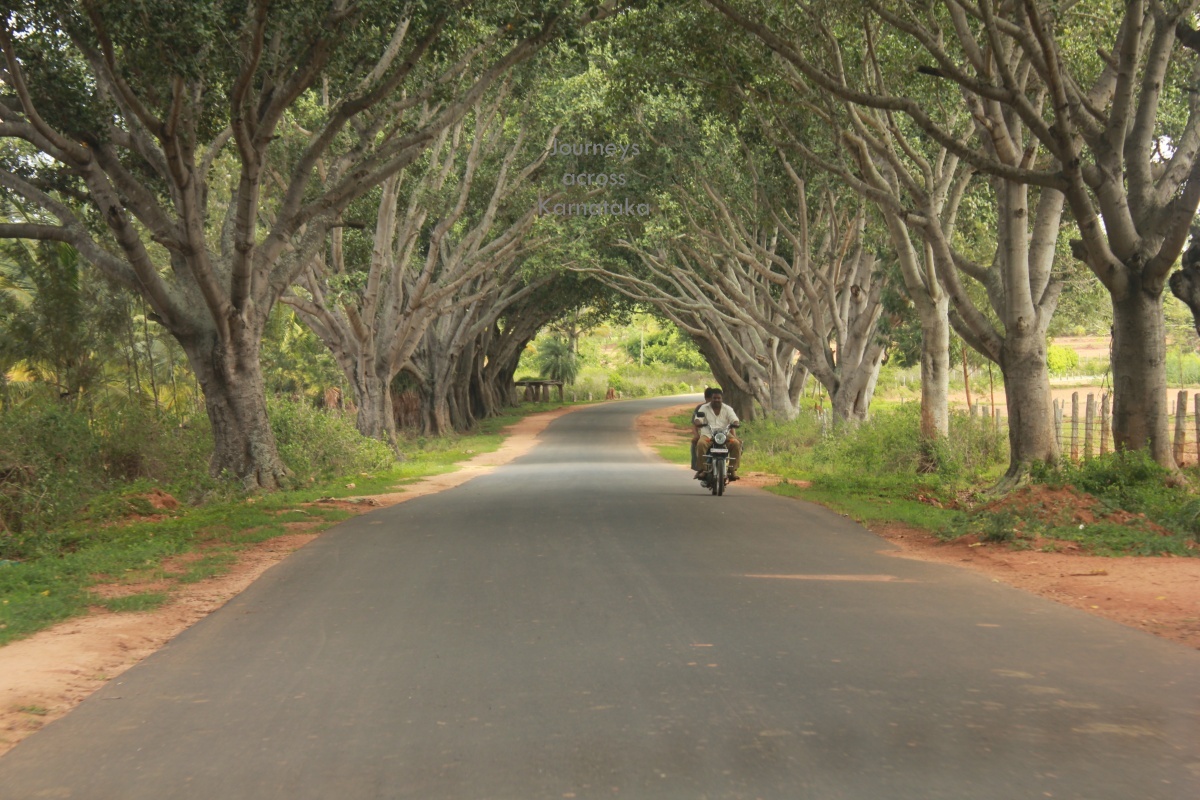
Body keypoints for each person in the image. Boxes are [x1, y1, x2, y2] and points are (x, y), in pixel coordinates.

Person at [693, 389, 742, 481]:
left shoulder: (728, 409)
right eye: (714, 398)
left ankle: (732, 470)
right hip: (708, 434)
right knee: (701, 444)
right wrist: (698, 422)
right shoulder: (704, 408)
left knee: (736, 443)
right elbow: (698, 418)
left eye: (718, 398)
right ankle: (704, 469)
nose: (716, 400)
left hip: (724, 434)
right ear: (711, 398)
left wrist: (735, 423)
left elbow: (734, 419)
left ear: (721, 398)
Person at [691, 387, 717, 471]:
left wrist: (734, 436)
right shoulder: (700, 408)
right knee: (695, 444)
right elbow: (695, 424)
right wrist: (696, 435)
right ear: (707, 398)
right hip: (706, 434)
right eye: (713, 398)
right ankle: (699, 468)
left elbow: (729, 424)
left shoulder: (722, 407)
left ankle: (730, 468)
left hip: (720, 434)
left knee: (736, 444)